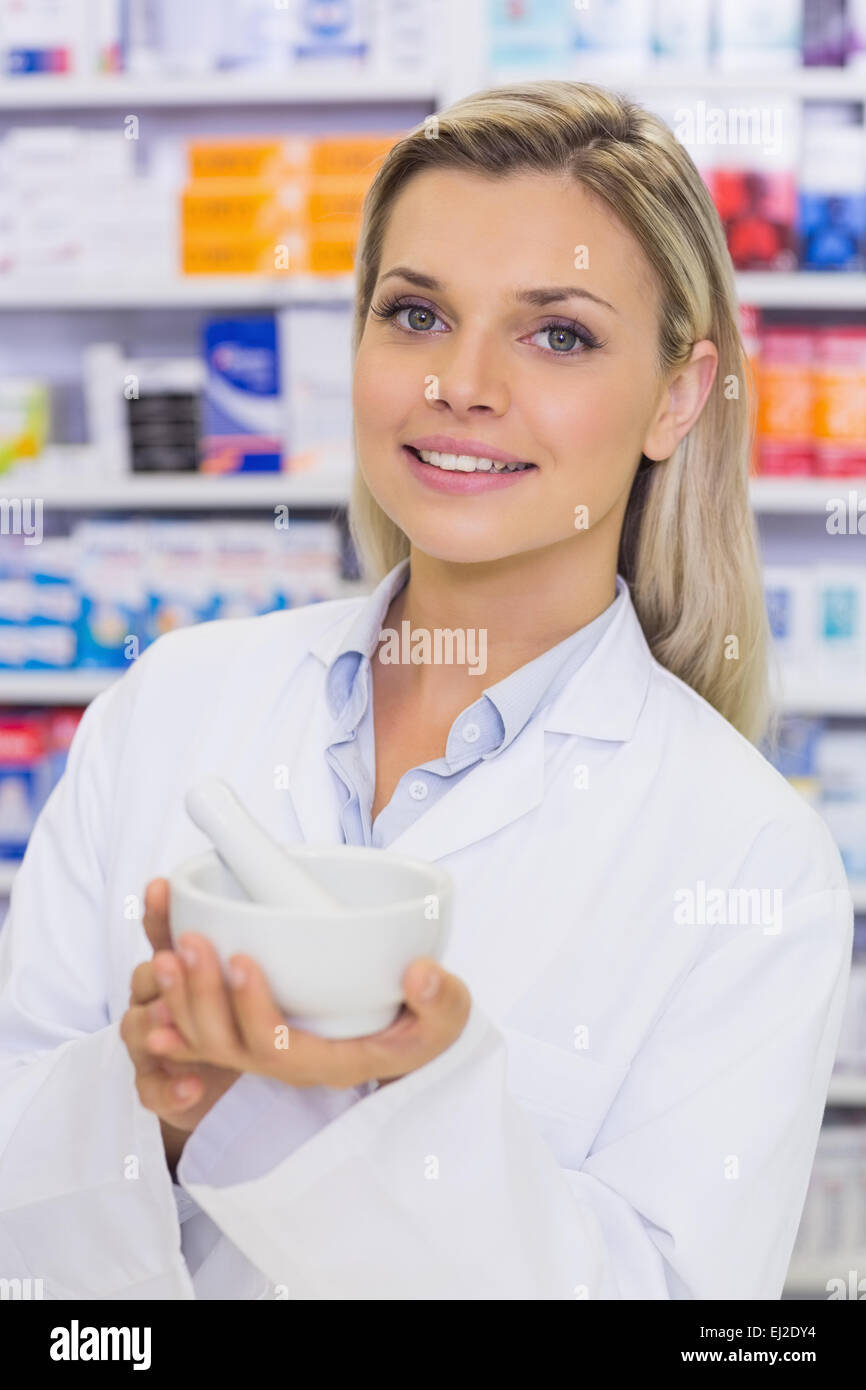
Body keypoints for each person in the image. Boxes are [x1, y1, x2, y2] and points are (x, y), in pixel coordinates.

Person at [0, 81, 852, 1300]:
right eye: (415, 314)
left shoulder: (751, 861)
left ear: (675, 396)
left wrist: (414, 1110)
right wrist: (157, 1108)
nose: (460, 382)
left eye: (557, 334)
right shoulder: (169, 707)